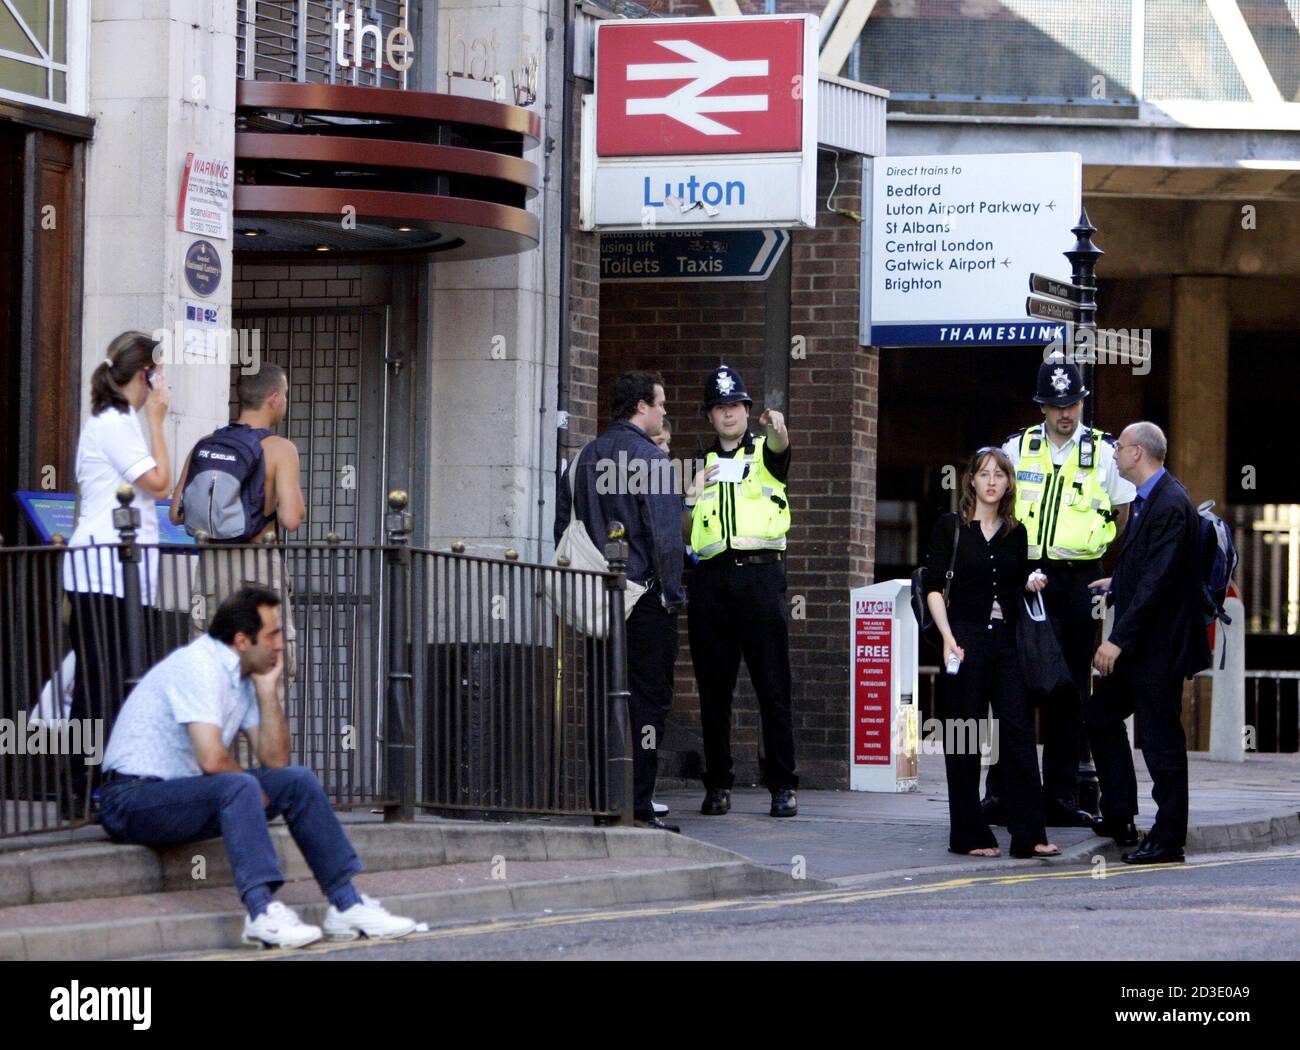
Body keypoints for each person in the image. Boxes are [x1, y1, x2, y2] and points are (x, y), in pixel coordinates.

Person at [99, 586, 416, 948]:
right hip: (129, 800)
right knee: (239, 786)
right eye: (272, 635)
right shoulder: (198, 666)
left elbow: (275, 760)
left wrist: (268, 690)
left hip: (177, 796)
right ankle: (261, 912)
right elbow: (211, 759)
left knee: (296, 780)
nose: (280, 645)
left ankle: (346, 904)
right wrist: (253, 791)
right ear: (241, 640)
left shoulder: (241, 676)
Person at [983, 356, 1135, 829]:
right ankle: (1005, 791)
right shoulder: (1017, 447)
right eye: (1054, 404)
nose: (1064, 413)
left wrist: (1104, 559)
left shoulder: (1106, 453)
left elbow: (1123, 513)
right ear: (1041, 406)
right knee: (1016, 683)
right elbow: (993, 506)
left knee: (1069, 686)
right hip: (1025, 573)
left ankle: (1061, 796)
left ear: (1082, 403)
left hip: (1078, 578)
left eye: (1071, 403)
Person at [554, 371, 685, 832]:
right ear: (641, 407)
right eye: (661, 403)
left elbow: (563, 529)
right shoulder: (652, 459)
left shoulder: (583, 459)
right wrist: (672, 594)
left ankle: (602, 802)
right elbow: (667, 539)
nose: (664, 411)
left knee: (602, 699)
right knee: (648, 704)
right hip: (646, 600)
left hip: (596, 601)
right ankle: (639, 807)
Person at [925, 448, 1061, 859]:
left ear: (1007, 484)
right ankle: (968, 834)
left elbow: (1016, 583)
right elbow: (933, 586)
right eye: (983, 474)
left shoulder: (1015, 533)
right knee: (964, 736)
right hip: (962, 639)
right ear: (971, 481)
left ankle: (1029, 835)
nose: (990, 481)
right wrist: (947, 637)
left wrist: (1032, 581)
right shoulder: (950, 527)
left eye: (998, 475)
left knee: (1017, 734)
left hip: (1005, 643)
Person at [1086, 423, 1210, 864]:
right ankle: (1120, 814)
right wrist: (1117, 582)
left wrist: (1115, 641)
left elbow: (1159, 583)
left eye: (1119, 448)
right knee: (1098, 716)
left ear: (1138, 453)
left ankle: (1168, 839)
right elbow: (1148, 568)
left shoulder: (1171, 504)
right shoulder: (1148, 500)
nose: (1115, 454)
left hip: (1157, 650)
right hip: (1142, 647)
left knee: (1161, 744)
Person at [62, 331, 174, 818]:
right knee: (98, 685)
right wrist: (158, 421)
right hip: (100, 573)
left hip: (123, 575)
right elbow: (160, 483)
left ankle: (106, 785)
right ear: (145, 374)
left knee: (116, 683)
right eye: (158, 372)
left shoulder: (121, 422)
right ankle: (81, 790)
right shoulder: (113, 423)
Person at [684, 364, 798, 819]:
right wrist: (690, 498)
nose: (727, 414)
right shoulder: (699, 463)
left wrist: (780, 428)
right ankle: (717, 785)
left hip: (760, 578)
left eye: (734, 405)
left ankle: (782, 785)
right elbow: (686, 535)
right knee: (714, 691)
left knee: (773, 687)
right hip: (711, 583)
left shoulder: (763, 454)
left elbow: (780, 448)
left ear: (748, 410)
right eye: (719, 407)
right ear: (709, 416)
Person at [173, 363, 304, 678]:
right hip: (257, 566)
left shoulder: (206, 445)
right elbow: (292, 518)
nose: (286, 402)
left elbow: (176, 512)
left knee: (211, 665)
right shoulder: (280, 449)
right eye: (285, 395)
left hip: (211, 568)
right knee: (267, 667)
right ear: (273, 398)